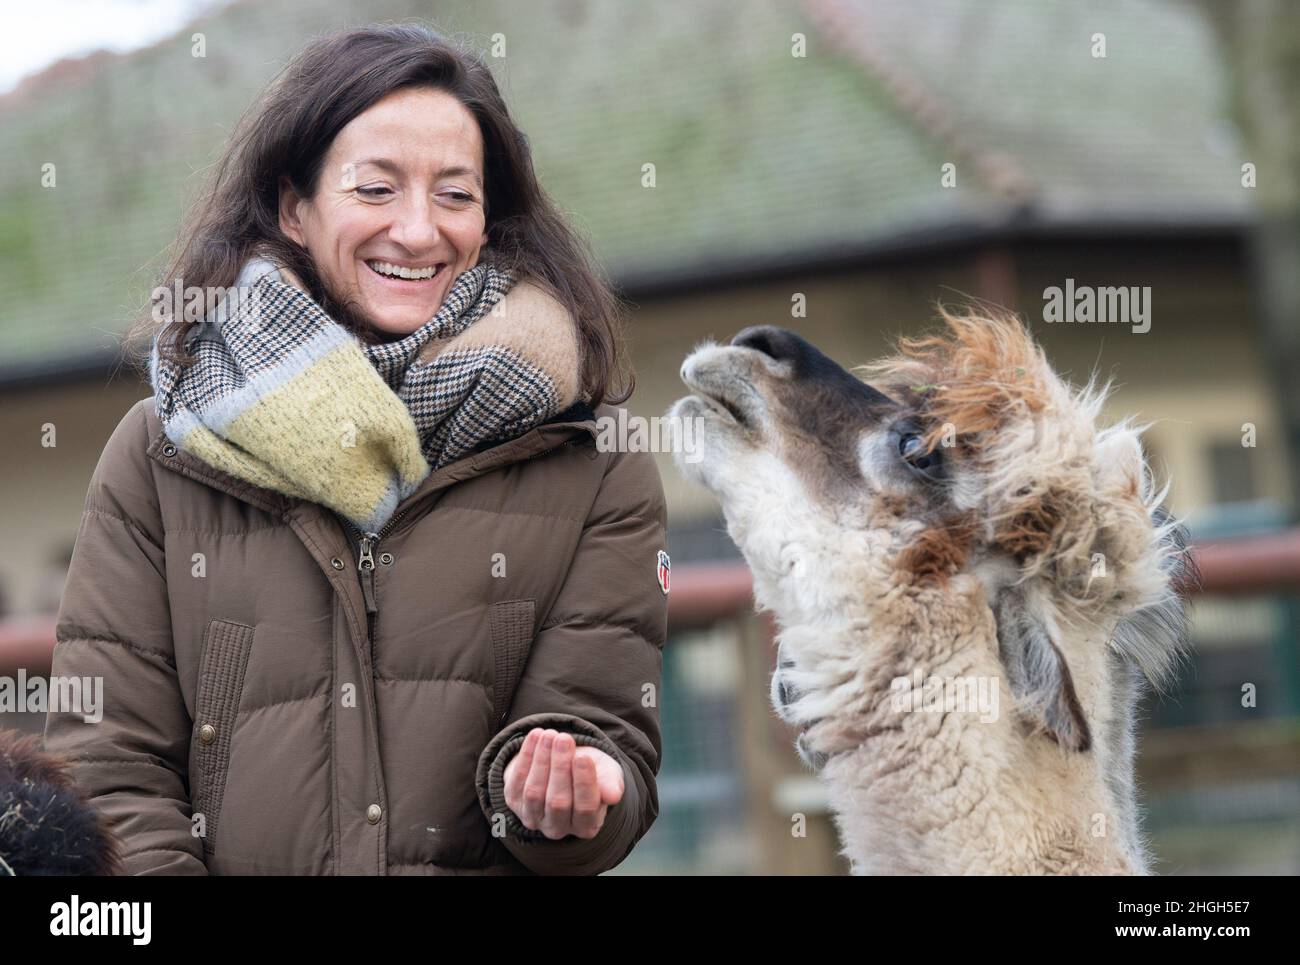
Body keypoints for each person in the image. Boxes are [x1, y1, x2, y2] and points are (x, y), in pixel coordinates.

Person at [42, 22, 667, 875]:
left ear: (490, 220)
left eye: (455, 195)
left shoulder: (594, 463)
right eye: (376, 189)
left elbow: (605, 741)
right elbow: (108, 772)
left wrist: (570, 799)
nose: (417, 232)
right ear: (295, 208)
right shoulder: (158, 455)